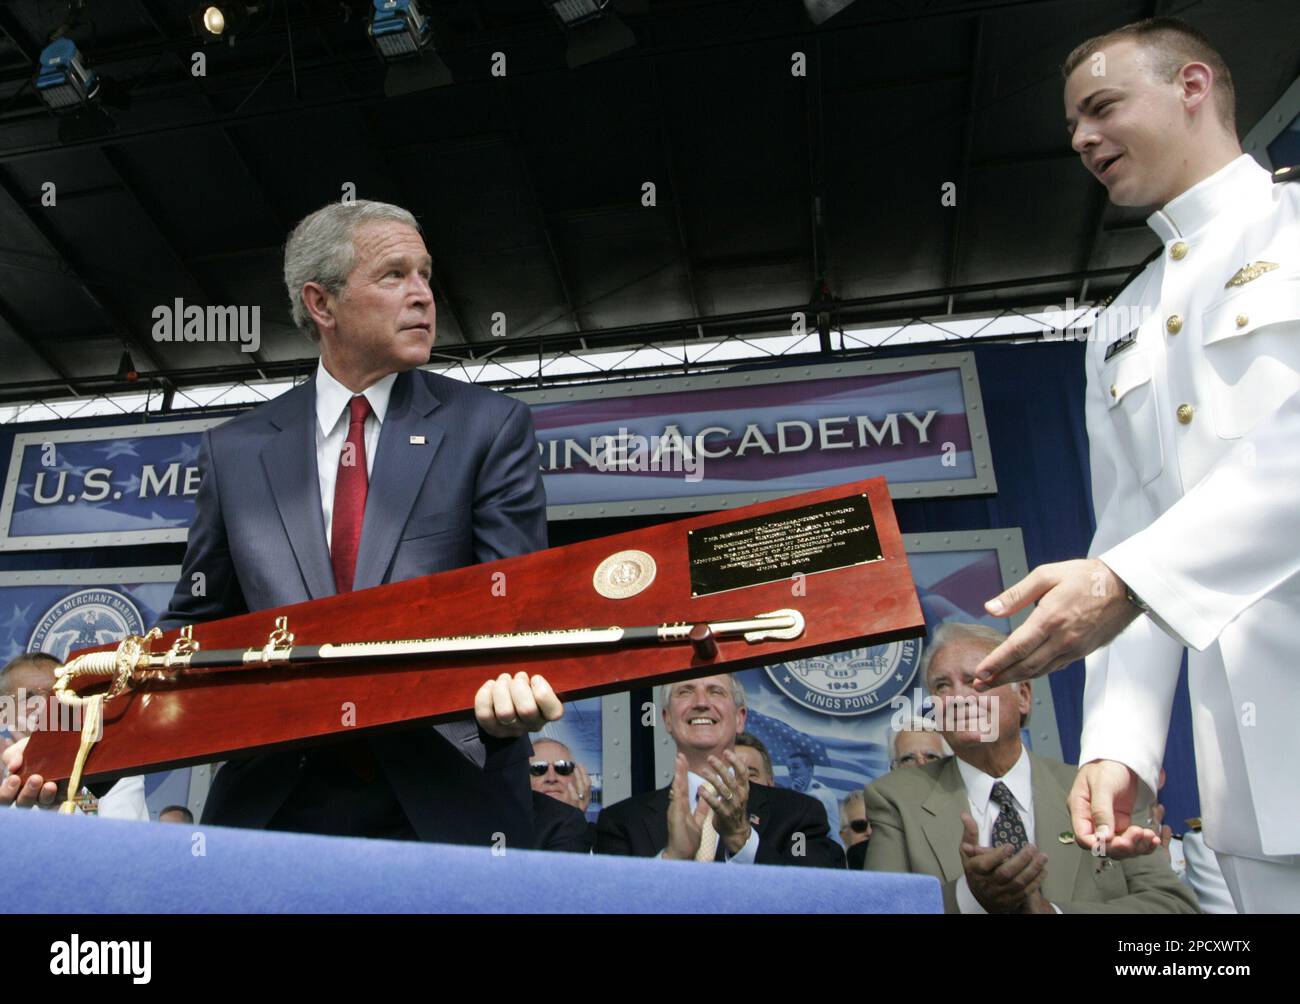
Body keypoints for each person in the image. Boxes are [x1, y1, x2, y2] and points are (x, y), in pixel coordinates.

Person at [2, 201, 561, 849]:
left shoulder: (488, 426)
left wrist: (508, 701)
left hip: (446, 806)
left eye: (425, 274)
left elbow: (518, 611)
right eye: (394, 275)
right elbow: (193, 638)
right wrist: (71, 750)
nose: (423, 296)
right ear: (321, 304)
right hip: (270, 812)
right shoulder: (236, 451)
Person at [969, 17, 1300, 911]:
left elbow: (1133, 569)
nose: (1080, 139)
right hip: (1250, 792)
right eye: (1073, 123)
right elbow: (1126, 543)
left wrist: (1123, 576)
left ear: (1193, 86)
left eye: (1103, 107)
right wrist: (1120, 744)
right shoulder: (1122, 321)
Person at [865, 623, 1197, 913]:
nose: (957, 699)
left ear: (1023, 696)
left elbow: (1173, 906)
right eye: (942, 686)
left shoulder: (1098, 791)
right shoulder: (896, 799)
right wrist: (970, 899)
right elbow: (876, 911)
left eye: (976, 680)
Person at [595, 674, 844, 867]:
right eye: (686, 691)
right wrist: (673, 859)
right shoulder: (621, 822)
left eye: (716, 692)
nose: (702, 703)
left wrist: (741, 840)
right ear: (667, 719)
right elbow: (611, 905)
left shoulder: (799, 814)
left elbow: (811, 901)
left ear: (740, 719)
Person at [0, 653, 148, 821]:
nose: (45, 705)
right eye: (29, 697)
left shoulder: (111, 763)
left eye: (55, 692)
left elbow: (123, 839)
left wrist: (67, 794)